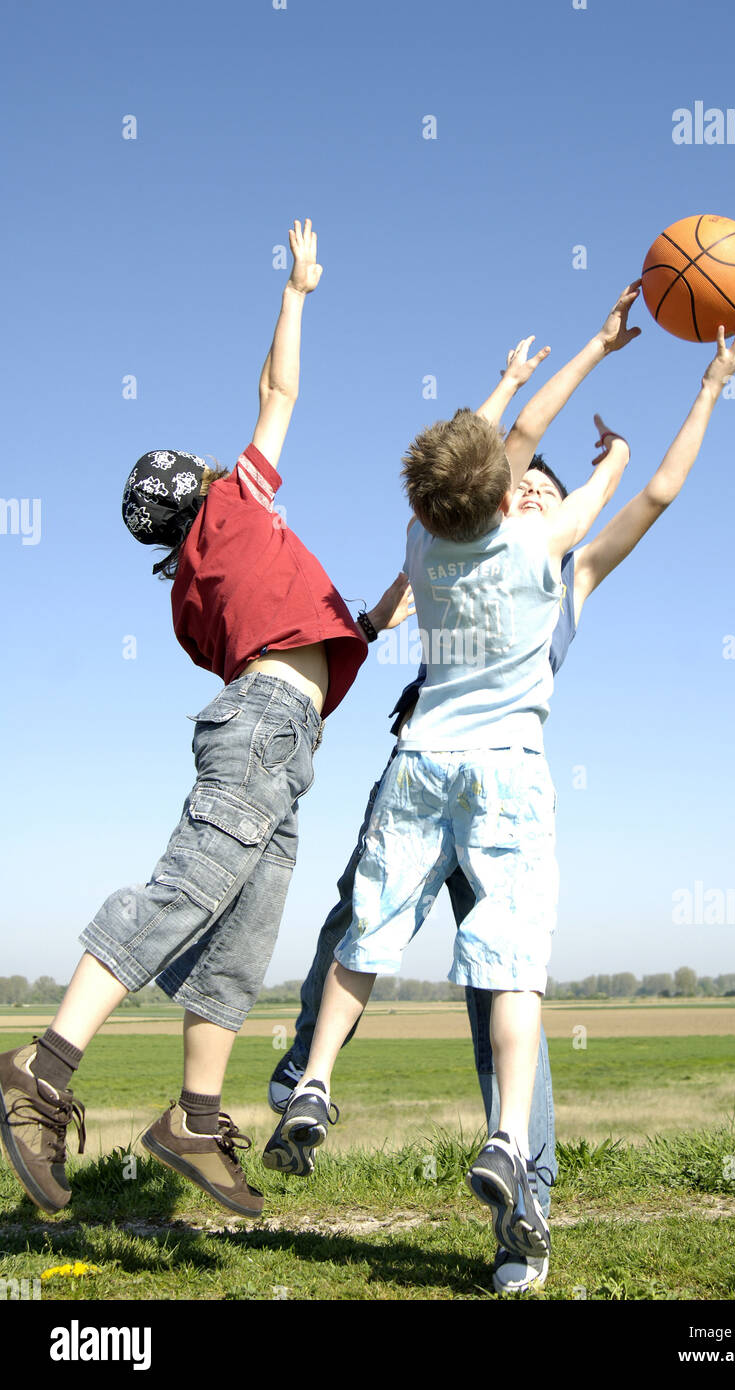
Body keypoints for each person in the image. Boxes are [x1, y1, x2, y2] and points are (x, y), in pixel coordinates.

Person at [266, 310, 735, 1291]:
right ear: (493, 501)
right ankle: (307, 1081)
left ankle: (514, 1206)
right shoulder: (501, 539)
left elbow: (648, 490)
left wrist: (691, 391)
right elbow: (554, 456)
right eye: (516, 482)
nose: (528, 483)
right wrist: (612, 407)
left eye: (541, 485)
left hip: (440, 769)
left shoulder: (547, 561)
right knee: (390, 936)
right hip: (475, 774)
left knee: (468, 981)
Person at [0, 220, 410, 1220]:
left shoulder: (192, 594)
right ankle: (38, 1074)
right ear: (201, 492)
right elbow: (279, 393)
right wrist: (299, 291)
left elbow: (306, 632)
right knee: (184, 895)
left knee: (238, 940)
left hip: (285, 739)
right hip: (268, 729)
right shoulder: (231, 514)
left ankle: (192, 1116)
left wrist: (387, 604)